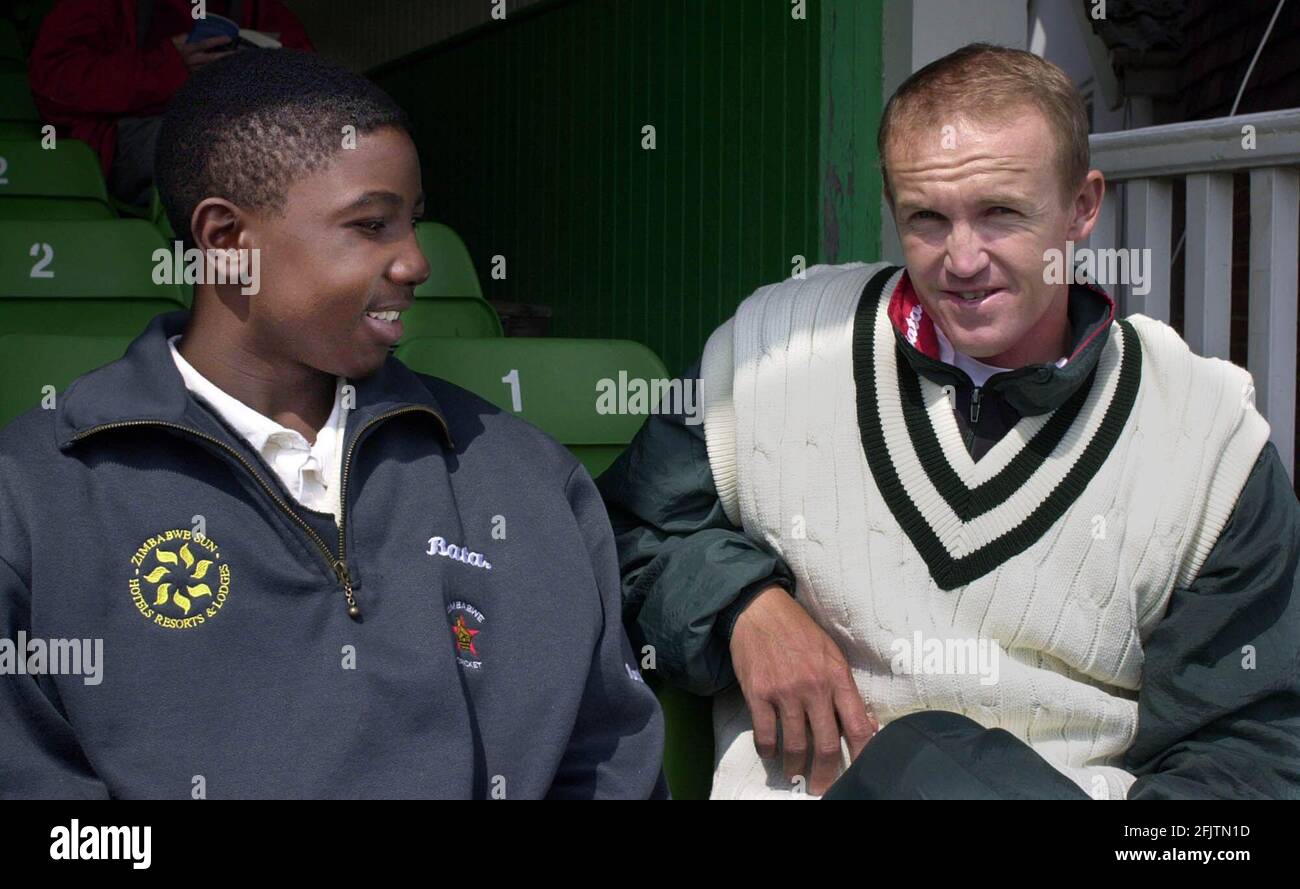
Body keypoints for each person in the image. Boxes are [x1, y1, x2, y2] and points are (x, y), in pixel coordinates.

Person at [599, 43, 1300, 799]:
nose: (962, 260)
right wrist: (738, 604)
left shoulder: (1207, 442)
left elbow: (1248, 755)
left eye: (1000, 213)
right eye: (927, 218)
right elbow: (624, 534)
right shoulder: (775, 352)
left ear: (1083, 206)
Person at [0, 48, 666, 799]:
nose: (416, 261)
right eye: (371, 224)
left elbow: (610, 763)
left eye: (414, 222)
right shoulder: (33, 494)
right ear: (227, 242)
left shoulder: (526, 477)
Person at [28, 0, 313, 207]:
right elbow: (54, 82)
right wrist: (168, 66)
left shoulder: (256, 8)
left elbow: (311, 80)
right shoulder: (100, 8)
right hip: (140, 137)